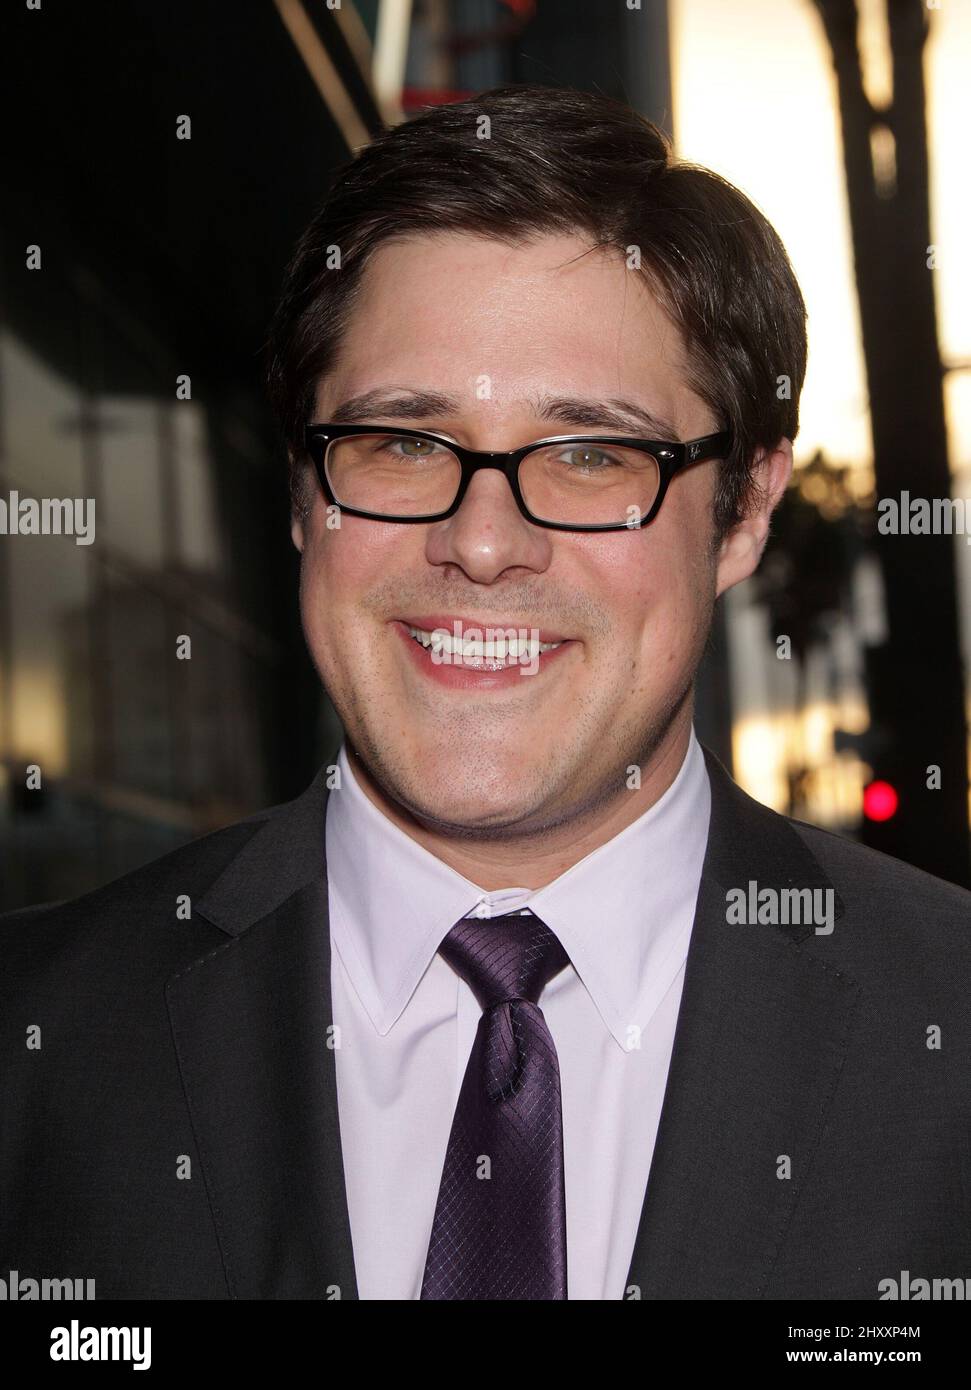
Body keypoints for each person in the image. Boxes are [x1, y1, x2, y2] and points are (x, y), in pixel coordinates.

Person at [2, 85, 970, 1302]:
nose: (480, 539)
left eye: (588, 455)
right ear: (305, 491)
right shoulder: (35, 1046)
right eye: (401, 441)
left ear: (742, 512)